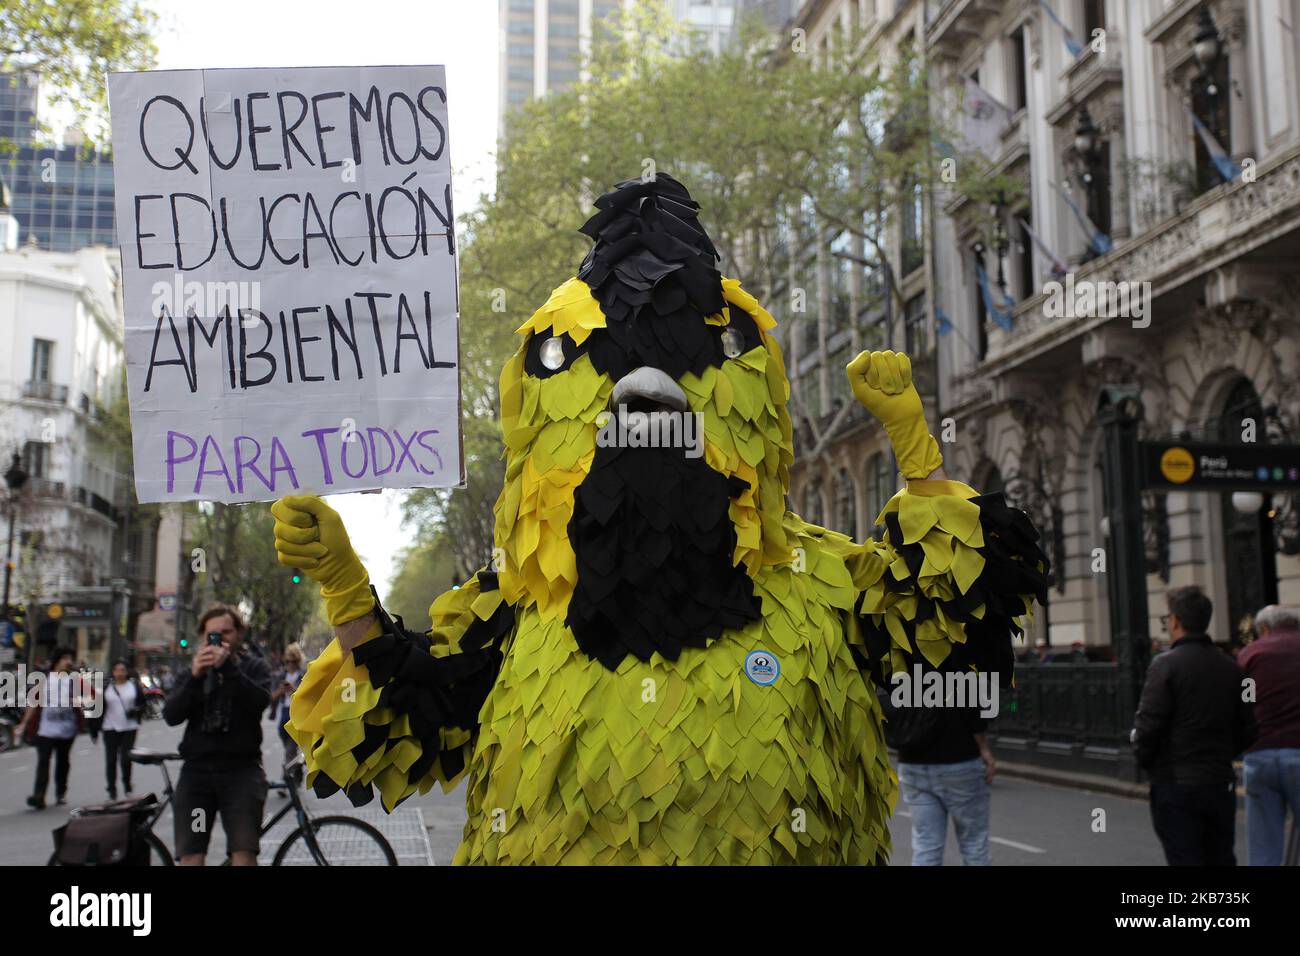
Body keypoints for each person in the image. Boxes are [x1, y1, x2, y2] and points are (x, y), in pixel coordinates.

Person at [1133, 586, 1257, 865]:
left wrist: (1146, 759)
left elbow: (1148, 725)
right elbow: (1248, 727)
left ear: (1175, 621)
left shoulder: (1164, 666)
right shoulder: (1232, 668)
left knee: (1185, 858)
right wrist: (1223, 752)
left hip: (1176, 782)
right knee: (1221, 857)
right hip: (1218, 781)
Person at [162, 604, 272, 866]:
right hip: (197, 776)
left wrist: (228, 670)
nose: (221, 638)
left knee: (243, 852)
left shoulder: (254, 667)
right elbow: (171, 715)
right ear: (203, 636)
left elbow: (259, 702)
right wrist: (195, 677)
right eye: (213, 634)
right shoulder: (192, 672)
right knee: (192, 854)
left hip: (241, 774)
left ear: (239, 633)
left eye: (227, 632)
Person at [885, 688, 996, 866]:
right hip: (959, 758)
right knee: (973, 844)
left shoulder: (902, 660)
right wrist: (983, 747)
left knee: (926, 845)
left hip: (912, 761)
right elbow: (972, 705)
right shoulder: (957, 661)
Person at [1237, 605, 1300, 866]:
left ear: (1264, 629)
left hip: (1260, 753)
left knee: (1264, 842)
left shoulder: (1251, 654)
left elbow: (1243, 702)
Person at [16, 647, 92, 809]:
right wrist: (24, 724)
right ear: (57, 660)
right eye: (65, 658)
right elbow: (33, 703)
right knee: (43, 761)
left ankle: (60, 792)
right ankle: (39, 796)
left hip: (67, 729)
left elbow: (91, 696)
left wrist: (78, 701)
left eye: (70, 658)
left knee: (63, 762)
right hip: (46, 729)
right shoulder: (44, 678)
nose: (68, 661)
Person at [101, 660, 145, 800]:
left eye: (122, 670)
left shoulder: (134, 686)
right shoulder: (106, 687)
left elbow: (143, 704)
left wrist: (137, 711)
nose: (120, 673)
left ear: (127, 672)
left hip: (129, 727)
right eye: (117, 670)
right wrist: (94, 728)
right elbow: (97, 707)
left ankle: (127, 786)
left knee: (126, 760)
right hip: (109, 727)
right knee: (111, 760)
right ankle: (111, 790)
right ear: (113, 672)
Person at [269, 643, 306, 768]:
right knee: (286, 742)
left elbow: (308, 697)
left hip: (298, 713)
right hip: (284, 713)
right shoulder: (280, 676)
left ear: (298, 661)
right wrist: (281, 690)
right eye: (288, 661)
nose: (290, 664)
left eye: (293, 661)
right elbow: (271, 697)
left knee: (290, 749)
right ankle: (297, 766)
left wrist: (293, 690)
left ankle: (289, 774)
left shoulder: (304, 676)